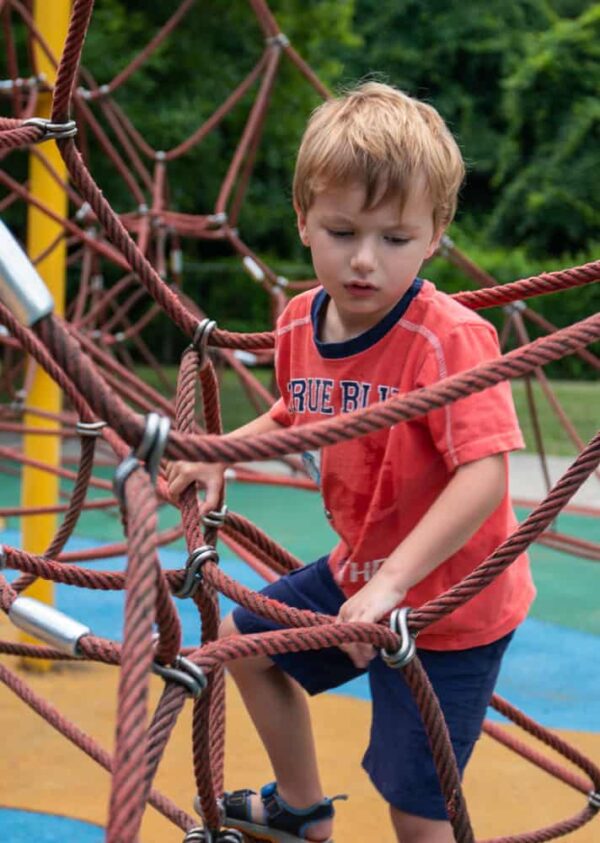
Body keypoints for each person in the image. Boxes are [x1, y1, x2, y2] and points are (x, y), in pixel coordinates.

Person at [167, 82, 536, 843]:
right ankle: (303, 809)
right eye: (341, 231)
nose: (364, 260)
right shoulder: (300, 318)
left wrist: (397, 583)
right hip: (361, 570)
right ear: (303, 218)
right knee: (249, 645)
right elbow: (299, 410)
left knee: (417, 807)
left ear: (435, 234)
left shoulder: (449, 340)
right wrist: (224, 454)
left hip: (452, 607)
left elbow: (486, 474)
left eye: (395, 239)